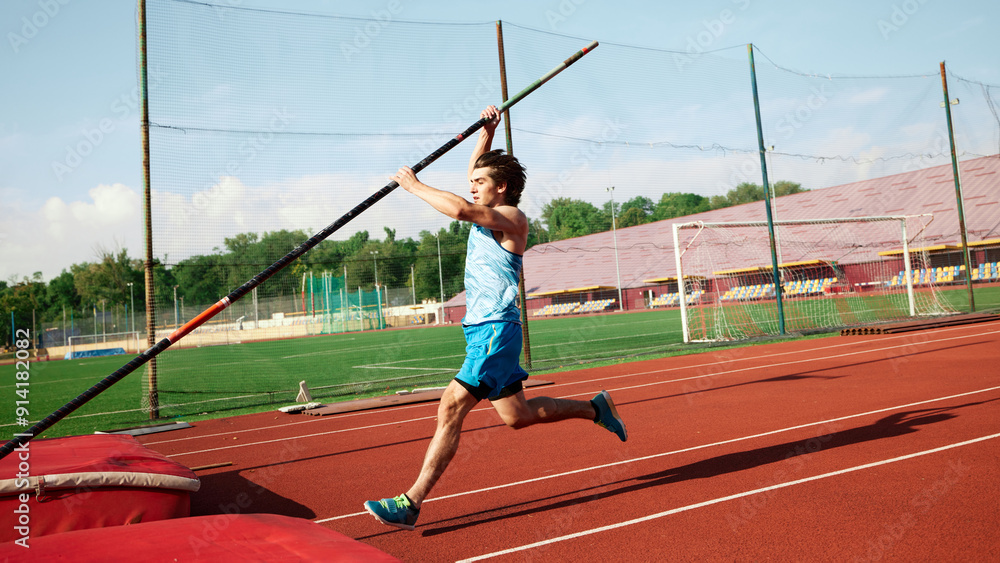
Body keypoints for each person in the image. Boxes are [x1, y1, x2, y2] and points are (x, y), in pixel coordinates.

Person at [364, 106, 627, 531]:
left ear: (500, 188)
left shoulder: (510, 219)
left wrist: (414, 186)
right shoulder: (489, 205)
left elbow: (460, 210)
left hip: (495, 331)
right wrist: (487, 133)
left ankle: (410, 502)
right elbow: (473, 179)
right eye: (472, 183)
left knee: (450, 408)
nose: (471, 187)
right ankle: (594, 409)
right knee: (517, 416)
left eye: (480, 183)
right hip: (483, 330)